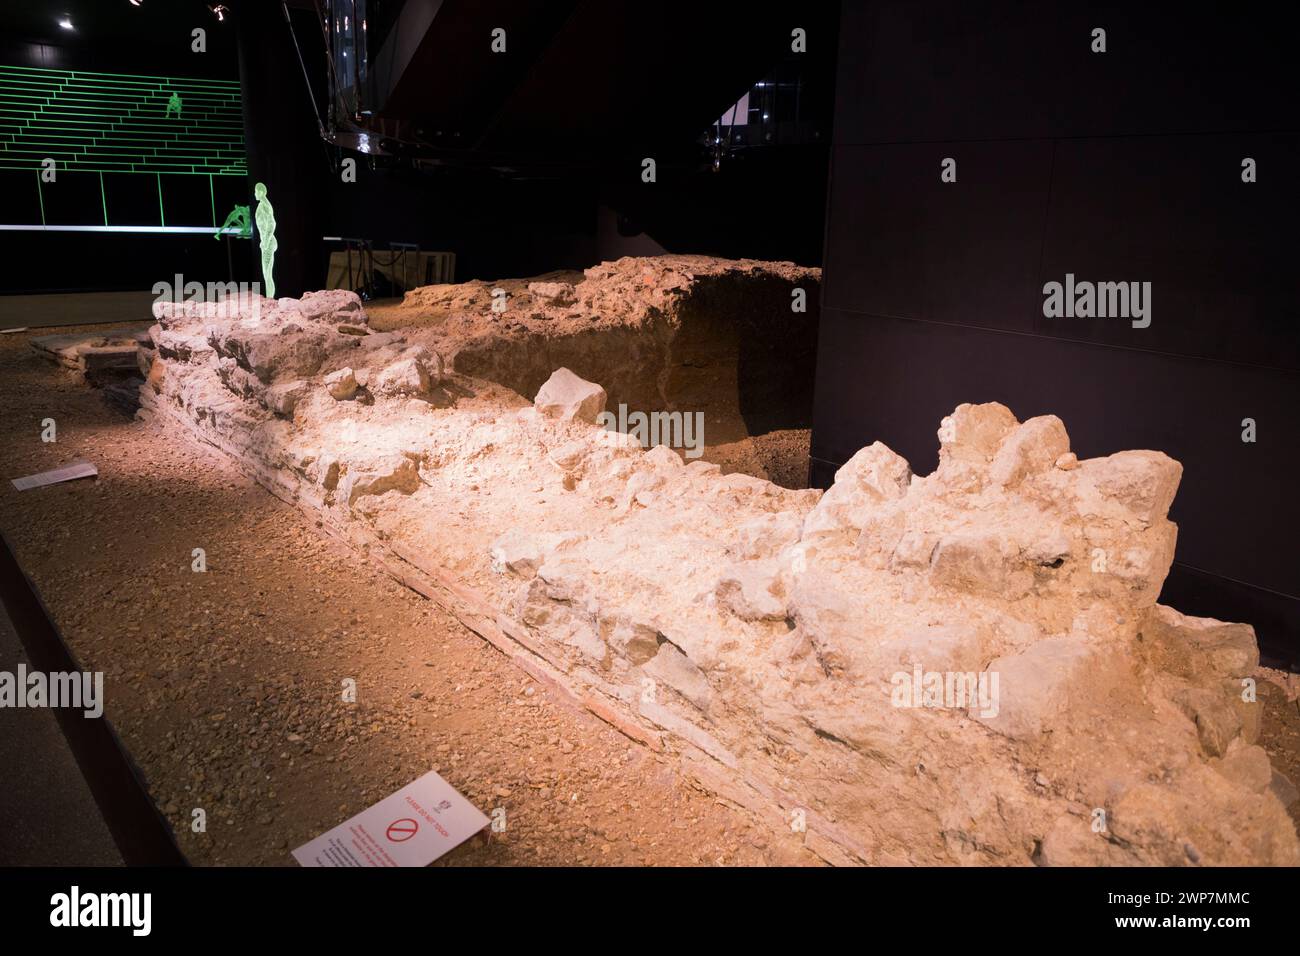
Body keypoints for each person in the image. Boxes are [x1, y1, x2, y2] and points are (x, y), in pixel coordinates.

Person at [254, 182, 277, 299]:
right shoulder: (261, 205)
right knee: (266, 274)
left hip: (268, 243)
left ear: (261, 192)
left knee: (267, 274)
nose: (254, 194)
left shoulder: (265, 205)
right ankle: (269, 298)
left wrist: (266, 241)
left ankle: (270, 299)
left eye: (256, 191)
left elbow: (272, 224)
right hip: (265, 243)